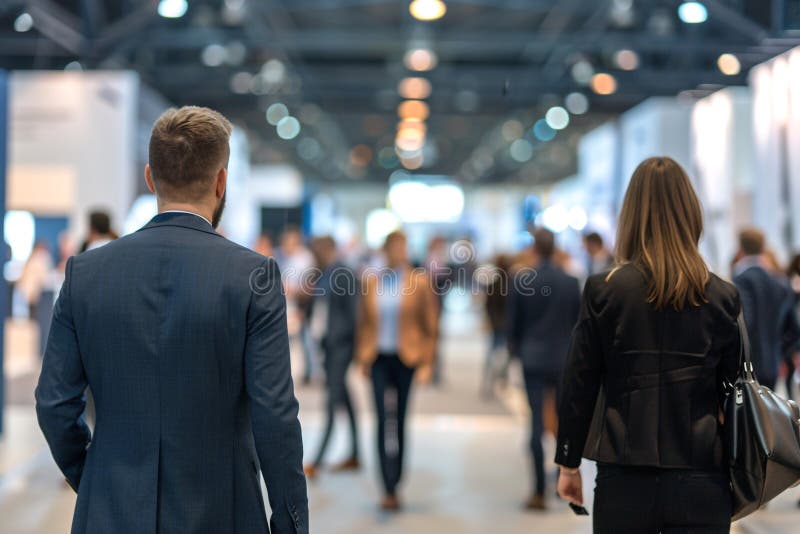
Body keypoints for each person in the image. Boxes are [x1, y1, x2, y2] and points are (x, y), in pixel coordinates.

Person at [35, 106, 308, 533]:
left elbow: (54, 404)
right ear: (221, 181)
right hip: (223, 511)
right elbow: (274, 415)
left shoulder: (85, 273)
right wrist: (292, 522)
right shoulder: (253, 275)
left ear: (149, 177)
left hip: (110, 510)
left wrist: (93, 476)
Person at [556, 157, 741, 533]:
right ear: (691, 212)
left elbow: (580, 383)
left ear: (631, 215)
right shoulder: (723, 296)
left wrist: (568, 461)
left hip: (623, 478)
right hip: (702, 476)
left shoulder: (604, 290)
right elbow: (735, 388)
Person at [356, 231, 438, 511]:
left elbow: (430, 326)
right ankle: (386, 487)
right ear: (385, 250)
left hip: (407, 359)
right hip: (378, 358)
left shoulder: (419, 281)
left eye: (402, 247)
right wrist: (362, 359)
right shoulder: (372, 282)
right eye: (393, 247)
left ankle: (397, 481)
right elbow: (364, 323)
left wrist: (427, 363)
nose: (398, 252)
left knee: (400, 421)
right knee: (381, 420)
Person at [508, 229, 581, 510]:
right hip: (563, 360)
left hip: (533, 360)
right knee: (564, 424)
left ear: (534, 250)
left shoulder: (521, 281)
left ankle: (538, 490)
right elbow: (578, 325)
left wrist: (516, 353)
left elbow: (513, 327)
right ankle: (564, 481)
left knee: (536, 424)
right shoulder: (571, 282)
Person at [304, 236, 360, 479]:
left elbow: (354, 314)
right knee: (344, 400)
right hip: (329, 347)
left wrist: (354, 350)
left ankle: (316, 460)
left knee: (331, 402)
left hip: (341, 348)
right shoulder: (324, 273)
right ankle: (356, 454)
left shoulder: (343, 273)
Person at [733, 229, 800, 390]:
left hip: (749, 364)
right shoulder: (779, 282)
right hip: (774, 362)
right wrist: (785, 351)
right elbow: (792, 326)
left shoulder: (742, 280)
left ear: (740, 248)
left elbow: (745, 323)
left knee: (750, 414)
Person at [277, 226, 317, 385]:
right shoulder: (282, 257)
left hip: (302, 305)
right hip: (287, 306)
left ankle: (310, 372)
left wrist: (294, 293)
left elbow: (310, 287)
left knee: (306, 340)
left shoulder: (305, 259)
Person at [482, 254, 512, 397]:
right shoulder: (513, 282)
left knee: (492, 353)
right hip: (506, 323)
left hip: (496, 323)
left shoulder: (494, 282)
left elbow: (488, 305)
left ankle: (488, 382)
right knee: (505, 353)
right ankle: (502, 379)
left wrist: (490, 320)